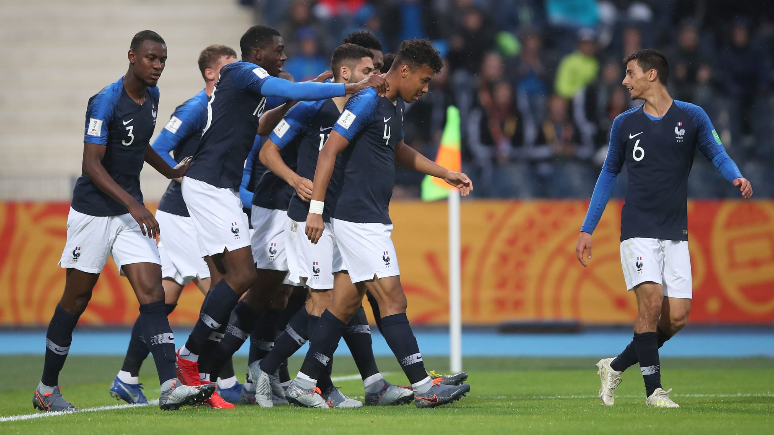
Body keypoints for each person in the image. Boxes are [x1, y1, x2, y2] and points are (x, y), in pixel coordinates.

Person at [173, 25, 387, 398]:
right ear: (259, 53)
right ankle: (197, 360)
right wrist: (344, 88)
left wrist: (298, 98)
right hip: (213, 186)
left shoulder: (250, 87)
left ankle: (210, 366)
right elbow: (287, 93)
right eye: (279, 49)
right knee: (248, 281)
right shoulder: (241, 71)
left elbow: (258, 125)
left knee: (256, 285)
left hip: (220, 188)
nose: (284, 55)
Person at [286, 39, 472, 409]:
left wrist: (444, 173)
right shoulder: (368, 100)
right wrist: (316, 210)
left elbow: (397, 149)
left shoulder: (391, 106)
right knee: (392, 297)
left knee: (342, 304)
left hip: (370, 216)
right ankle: (423, 387)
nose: (426, 88)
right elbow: (328, 151)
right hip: (358, 217)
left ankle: (303, 385)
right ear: (403, 70)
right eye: (424, 79)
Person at [35, 30, 215, 412]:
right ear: (131, 56)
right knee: (77, 298)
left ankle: (168, 386)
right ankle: (46, 389)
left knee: (152, 294)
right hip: (93, 213)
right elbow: (91, 164)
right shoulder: (104, 101)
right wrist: (136, 206)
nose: (158, 66)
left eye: (163, 60)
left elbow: (141, 142)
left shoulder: (152, 97)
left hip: (128, 214)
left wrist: (169, 171)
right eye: (151, 58)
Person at [575, 49, 753, 408]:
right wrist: (587, 227)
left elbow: (717, 152)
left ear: (652, 75)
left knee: (677, 317)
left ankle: (616, 365)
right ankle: (653, 392)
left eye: (630, 73)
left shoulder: (693, 117)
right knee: (652, 303)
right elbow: (609, 173)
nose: (624, 81)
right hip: (638, 227)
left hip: (675, 230)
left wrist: (735, 176)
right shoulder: (624, 124)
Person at [253, 43, 414, 408]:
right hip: (307, 217)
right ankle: (276, 372)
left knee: (344, 300)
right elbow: (266, 151)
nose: (376, 75)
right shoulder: (313, 107)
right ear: (346, 73)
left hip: (340, 218)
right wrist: (295, 180)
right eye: (368, 69)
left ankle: (300, 377)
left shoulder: (365, 111)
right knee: (325, 302)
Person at [107, 45, 239, 409]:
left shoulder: (225, 107)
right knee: (219, 293)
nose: (237, 72)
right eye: (230, 66)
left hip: (195, 215)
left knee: (163, 297)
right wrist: (188, 177)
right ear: (211, 73)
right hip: (183, 216)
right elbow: (161, 147)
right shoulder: (196, 107)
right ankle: (219, 381)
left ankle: (127, 376)